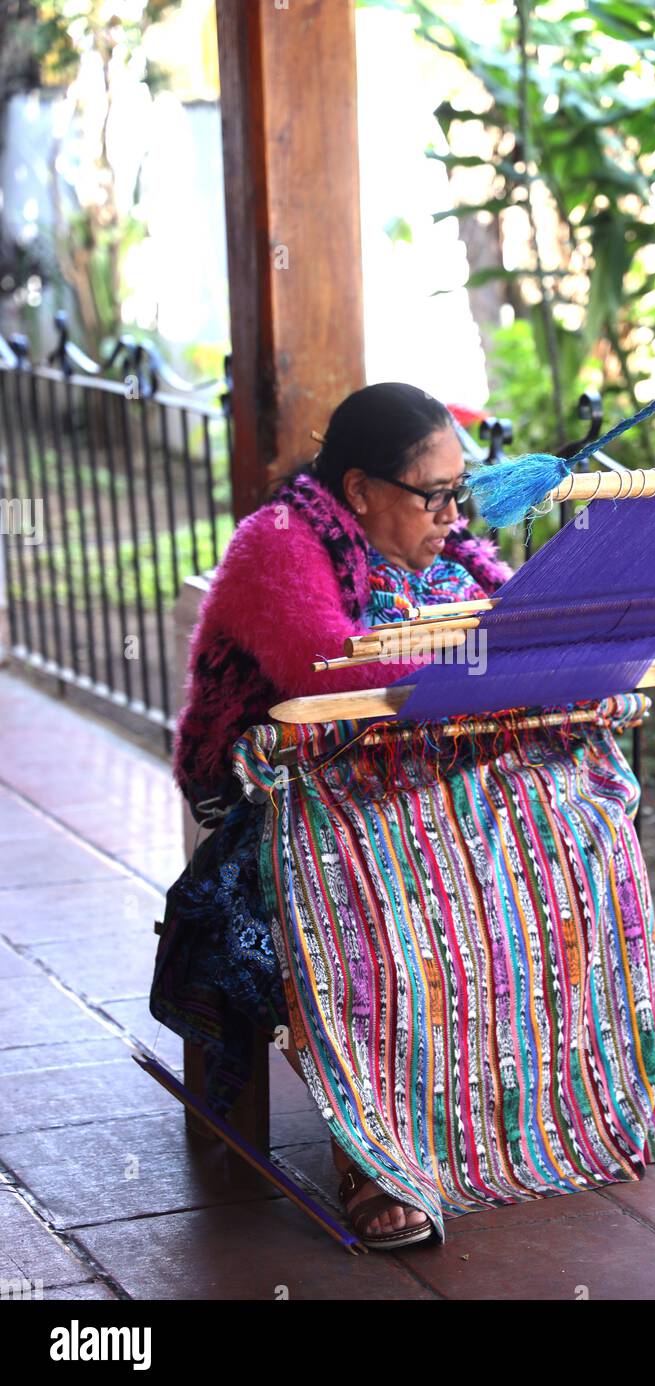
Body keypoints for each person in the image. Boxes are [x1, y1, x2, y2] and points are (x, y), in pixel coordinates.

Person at [151, 382, 513, 1249]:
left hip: (421, 785)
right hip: (285, 806)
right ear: (359, 490)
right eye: (433, 494)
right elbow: (330, 677)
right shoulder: (280, 545)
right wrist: (479, 661)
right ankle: (374, 1157)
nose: (452, 513)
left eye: (458, 491)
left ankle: (540, 1101)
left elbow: (517, 625)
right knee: (378, 898)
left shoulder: (446, 542)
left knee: (576, 838)